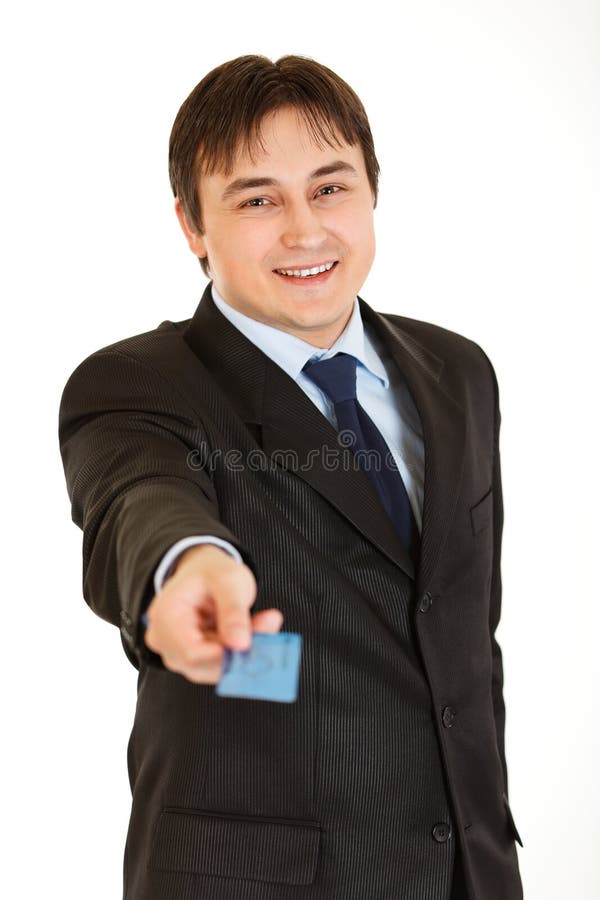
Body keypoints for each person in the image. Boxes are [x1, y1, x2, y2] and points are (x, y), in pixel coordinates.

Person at [58, 54, 523, 900]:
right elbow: (141, 497)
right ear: (192, 226)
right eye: (258, 200)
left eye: (331, 188)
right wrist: (189, 570)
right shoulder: (140, 384)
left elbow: (458, 632)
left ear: (372, 192)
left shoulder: (458, 372)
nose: (306, 231)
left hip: (469, 870)